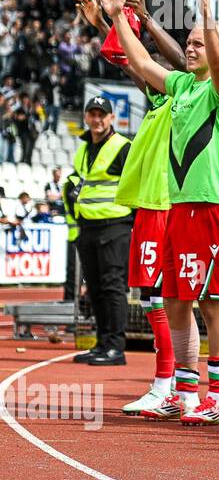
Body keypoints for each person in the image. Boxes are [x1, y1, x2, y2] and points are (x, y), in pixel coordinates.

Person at [104, 0, 219, 427]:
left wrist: (206, 13)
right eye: (189, 42)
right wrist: (117, 19)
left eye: (199, 43)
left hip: (211, 209)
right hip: (180, 210)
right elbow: (142, 62)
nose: (191, 48)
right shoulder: (181, 86)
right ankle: (183, 394)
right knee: (176, 301)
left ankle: (217, 398)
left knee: (212, 303)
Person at [74, 0, 191, 413]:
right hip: (147, 205)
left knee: (164, 298)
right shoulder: (162, 97)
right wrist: (106, 22)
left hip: (164, 204)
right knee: (155, 297)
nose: (153, 72)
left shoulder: (189, 92)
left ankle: (171, 384)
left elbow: (169, 61)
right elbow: (132, 65)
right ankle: (174, 382)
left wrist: (137, 19)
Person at [67, 95, 133, 366]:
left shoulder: (123, 147)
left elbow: (136, 185)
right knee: (94, 288)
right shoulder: (83, 148)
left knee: (112, 287)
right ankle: (101, 342)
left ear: (111, 118)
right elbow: (78, 180)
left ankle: (116, 348)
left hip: (116, 226)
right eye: (92, 114)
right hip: (89, 227)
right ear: (86, 117)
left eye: (101, 115)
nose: (96, 119)